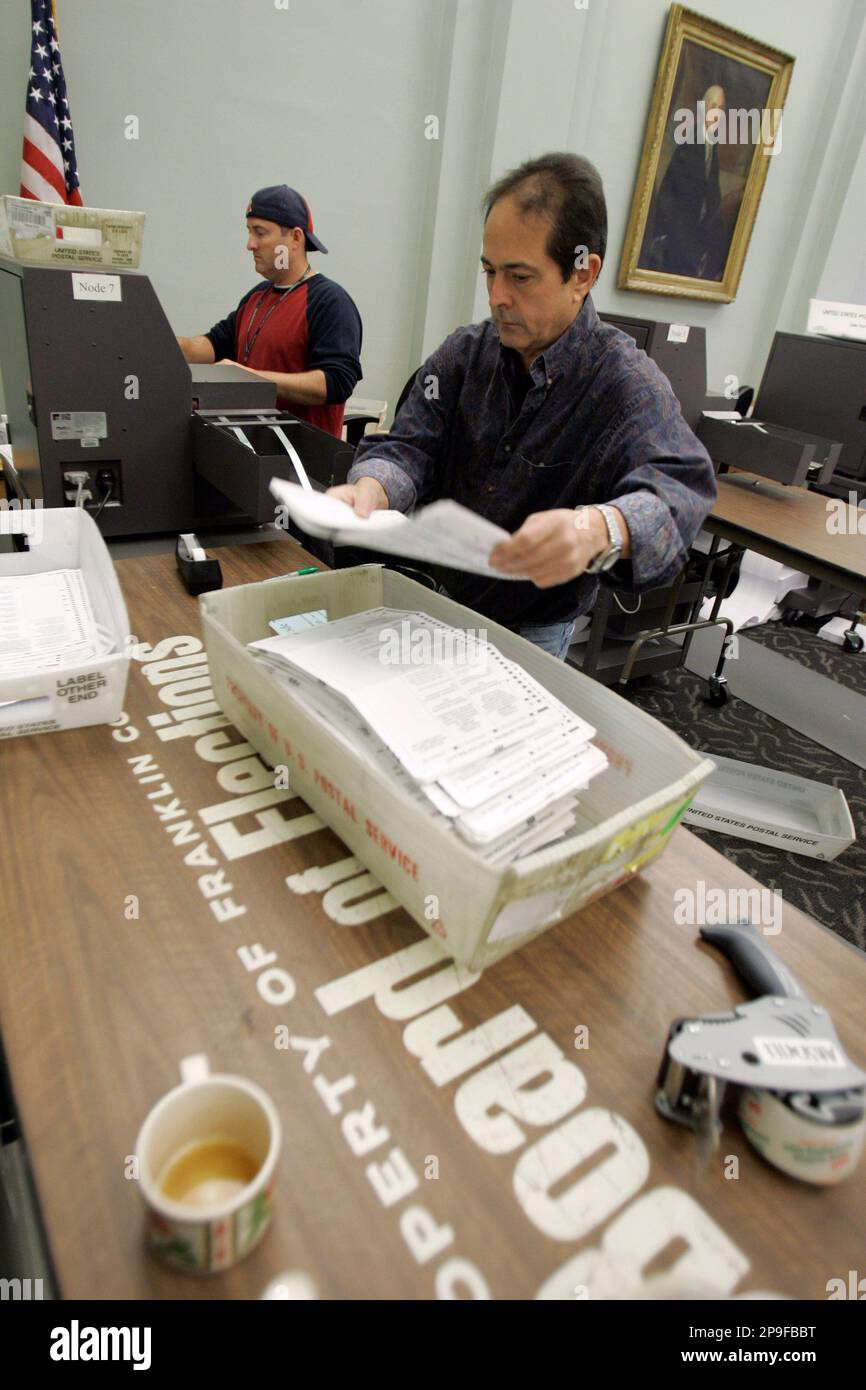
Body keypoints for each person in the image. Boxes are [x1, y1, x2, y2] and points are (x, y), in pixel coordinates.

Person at [328, 152, 716, 659]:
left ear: (583, 273)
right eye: (489, 272)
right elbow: (411, 447)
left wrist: (597, 528)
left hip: (531, 633)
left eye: (520, 277)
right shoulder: (465, 355)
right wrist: (373, 488)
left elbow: (680, 493)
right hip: (437, 598)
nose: (497, 296)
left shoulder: (625, 384)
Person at [177, 184, 362, 438]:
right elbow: (212, 346)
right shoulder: (257, 297)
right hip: (247, 448)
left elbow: (336, 382)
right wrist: (161, 342)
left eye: (260, 233)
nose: (250, 244)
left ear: (295, 238)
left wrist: (250, 378)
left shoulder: (329, 301)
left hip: (300, 456)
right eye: (249, 232)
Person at [644, 86, 728, 280]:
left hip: (696, 238)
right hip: (679, 239)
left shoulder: (711, 147)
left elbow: (712, 196)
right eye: (713, 106)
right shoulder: (690, 143)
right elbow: (677, 199)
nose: (716, 114)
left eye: (720, 109)